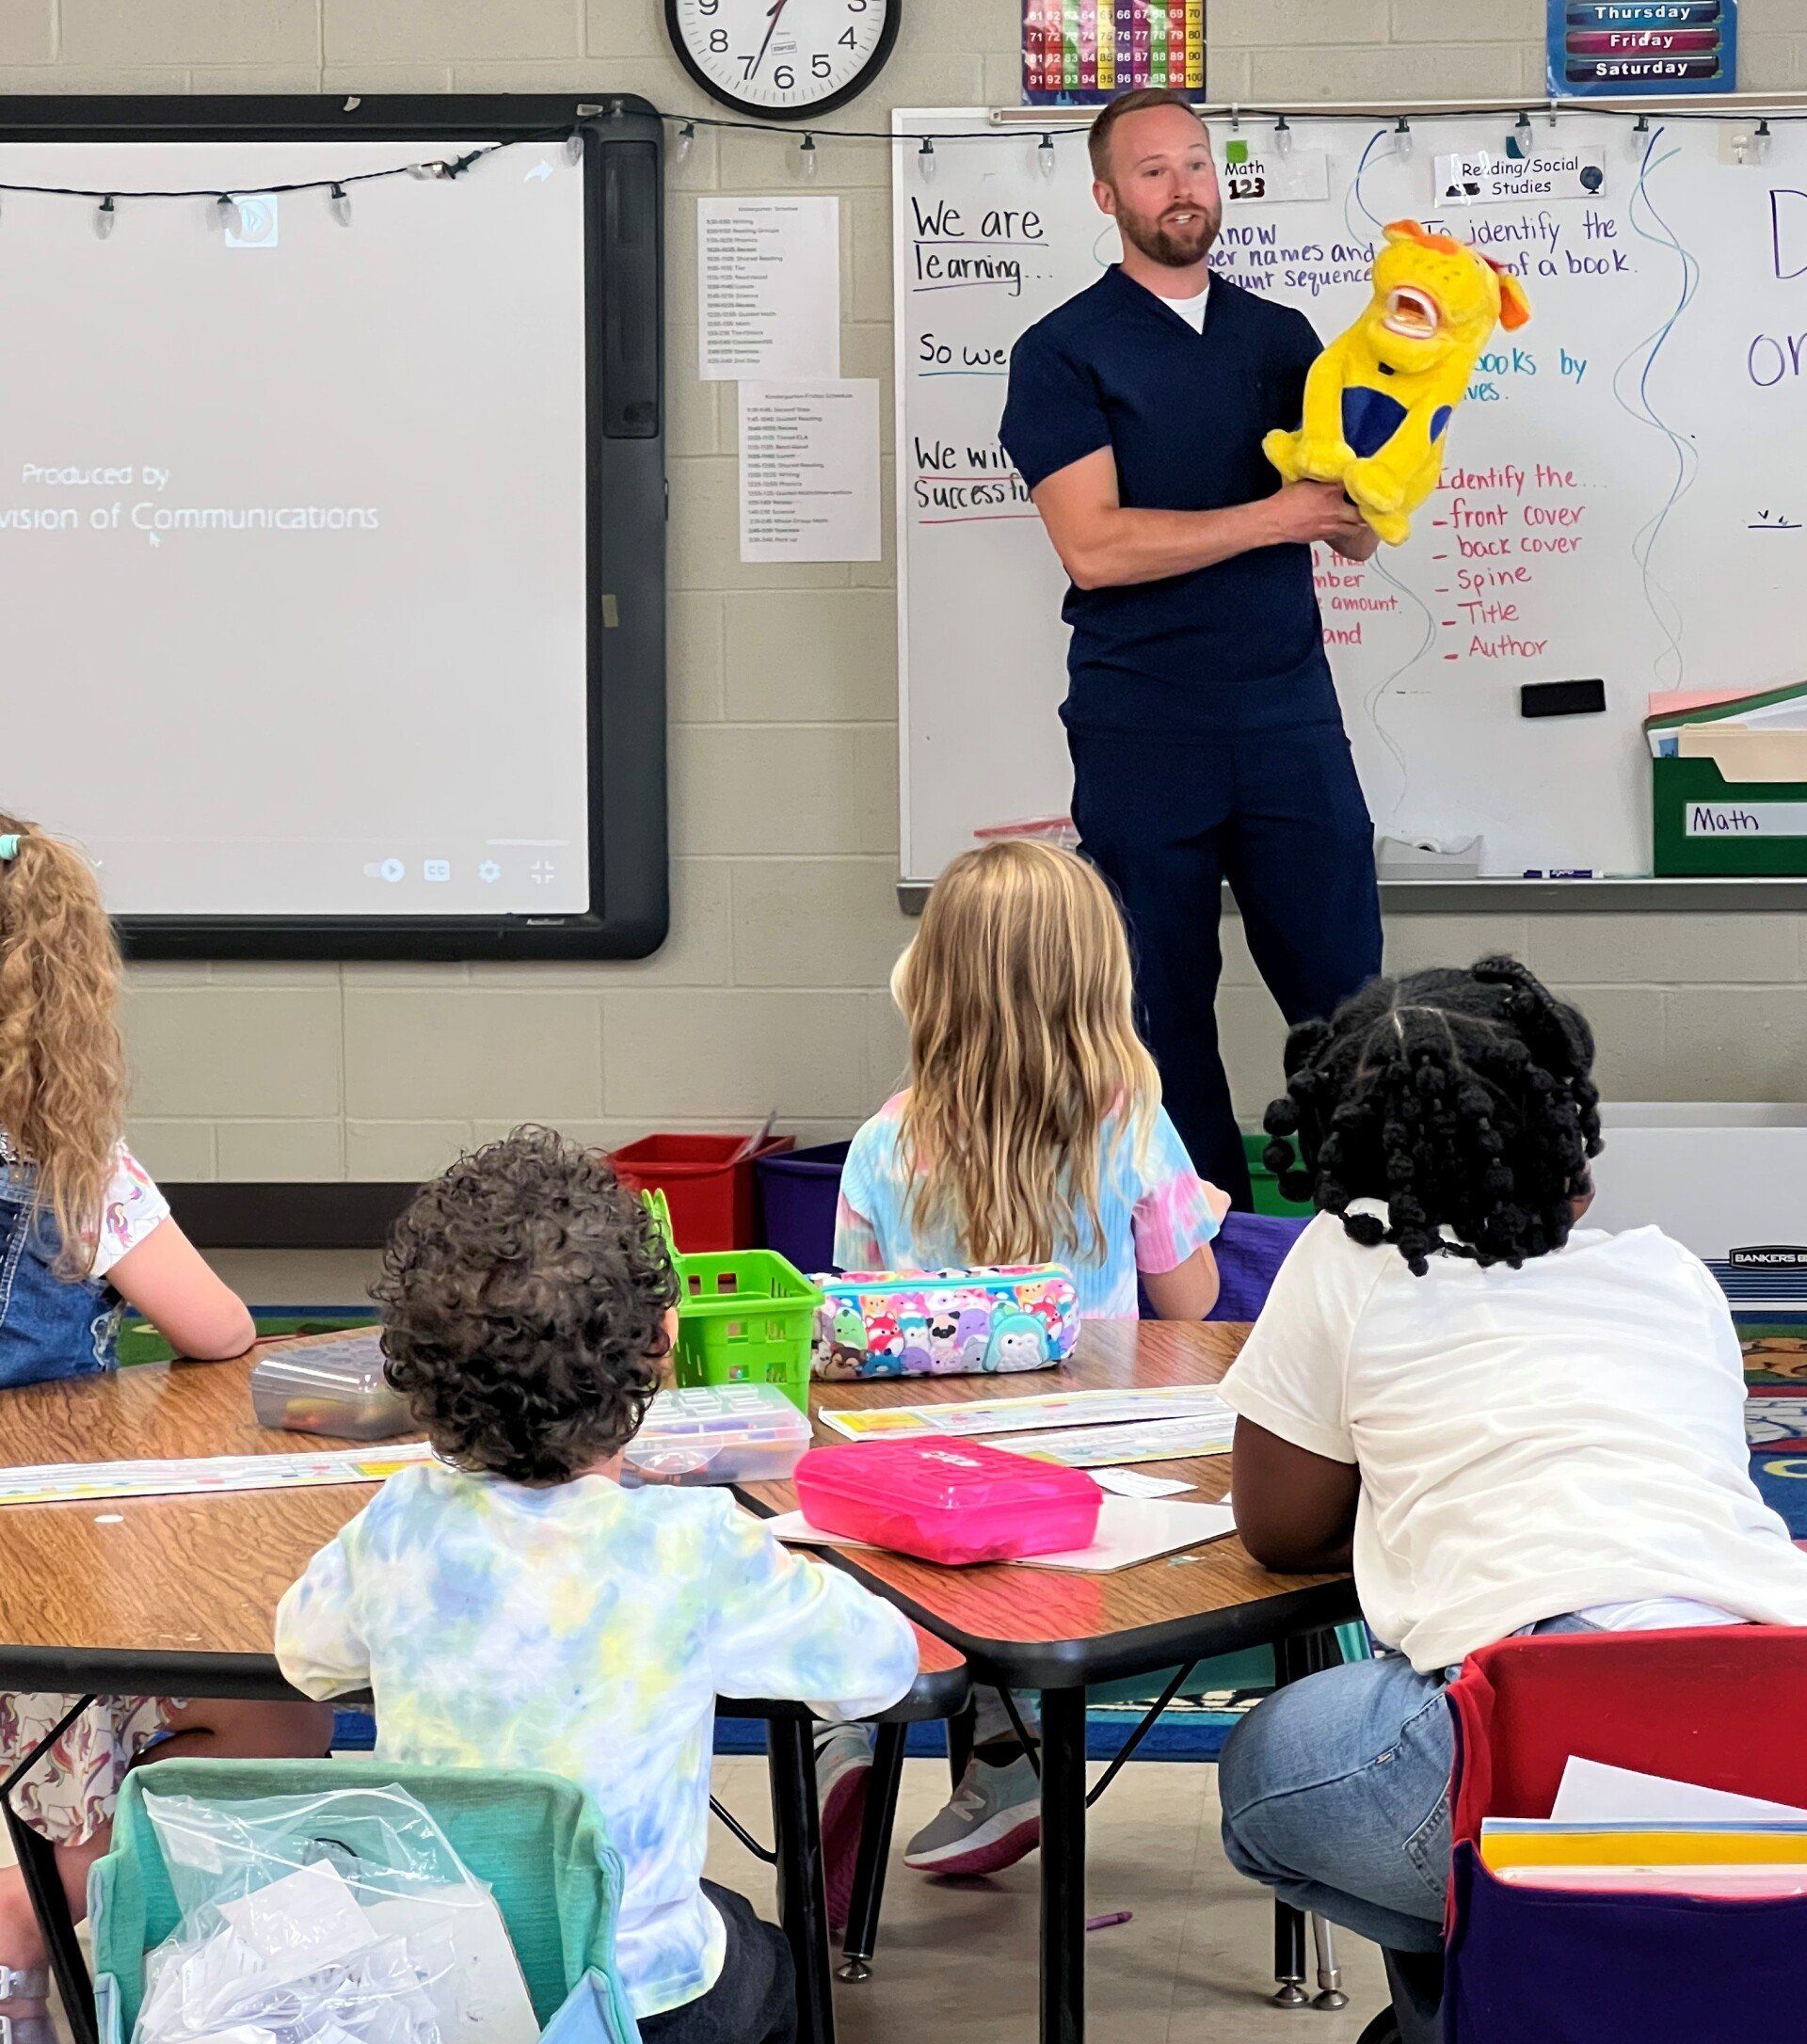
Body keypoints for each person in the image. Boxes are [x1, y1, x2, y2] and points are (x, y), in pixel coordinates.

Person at [1214, 957, 1807, 2044]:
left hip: (1535, 1722)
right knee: (1478, 1805)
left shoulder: (1344, 1261)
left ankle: (1492, 2001)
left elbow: (1279, 1528)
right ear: (1567, 1142)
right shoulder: (1672, 1271)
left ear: (1349, 1159)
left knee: (1271, 1778)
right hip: (1778, 1710)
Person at [276, 1127, 919, 2044]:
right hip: (644, 1996)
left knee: (716, 1920)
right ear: (661, 1342)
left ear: (416, 1379)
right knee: (772, 1962)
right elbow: (881, 1666)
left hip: (454, 1997)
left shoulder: (401, 1523)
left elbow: (302, 1655)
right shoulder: (686, 1542)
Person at [998, 88, 1383, 1207]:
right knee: (1155, 1010)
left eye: (1199, 166)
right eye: (1155, 171)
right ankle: (1197, 1275)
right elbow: (1097, 548)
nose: (1184, 189)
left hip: (1287, 717)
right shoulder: (1063, 352)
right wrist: (1281, 516)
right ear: (1108, 195)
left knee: (1348, 997)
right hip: (1143, 723)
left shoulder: (1286, 341)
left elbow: (1350, 532)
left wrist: (1363, 497)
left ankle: (1372, 1241)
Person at [821, 839, 1225, 1895]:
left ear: (934, 977)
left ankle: (850, 1731)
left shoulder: (880, 1144)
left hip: (936, 1480)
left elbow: (858, 1327)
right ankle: (1011, 1759)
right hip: (1109, 1483)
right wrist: (1200, 1220)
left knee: (912, 1545)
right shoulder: (1132, 1122)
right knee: (1027, 1559)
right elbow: (1192, 1304)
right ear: (1099, 981)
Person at [0, 813, 331, 2044]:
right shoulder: (68, 1162)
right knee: (275, 1715)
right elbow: (220, 1329)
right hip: (46, 1549)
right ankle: (33, 1929)